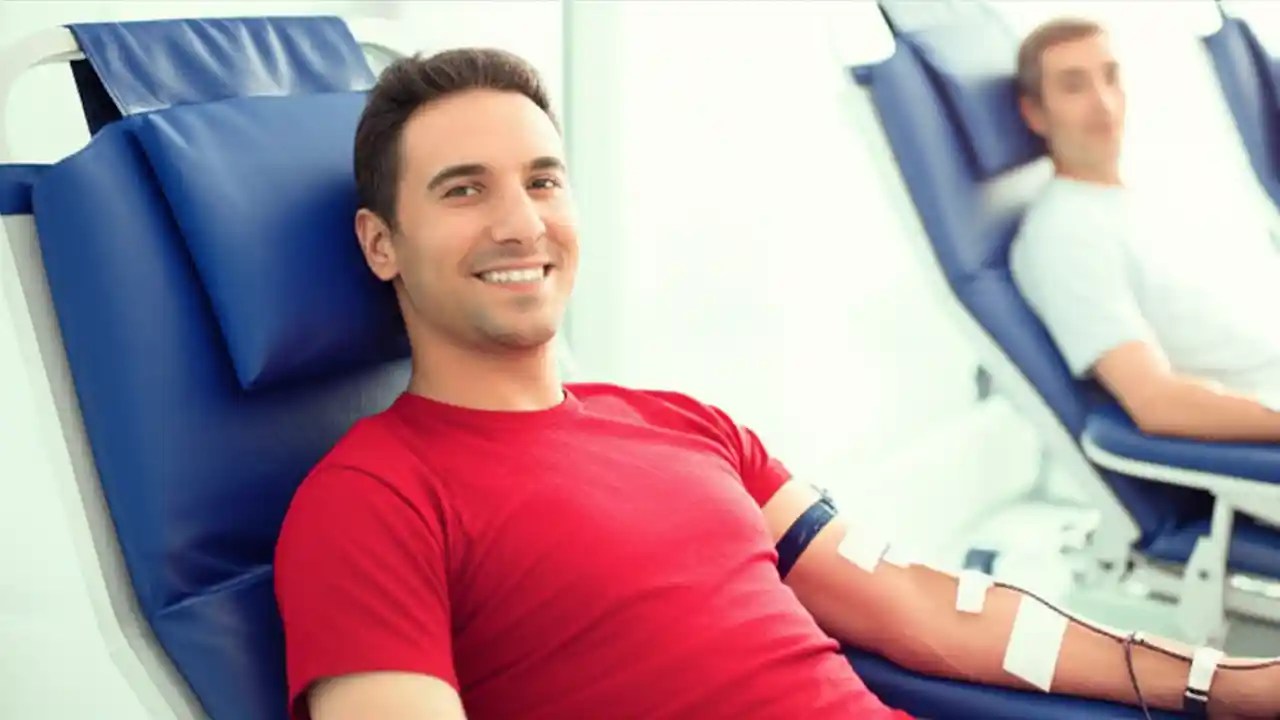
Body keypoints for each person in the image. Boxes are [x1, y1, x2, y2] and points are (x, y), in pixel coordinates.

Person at [272, 47, 1280, 720]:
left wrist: (1223, 683)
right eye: (463, 190)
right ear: (380, 243)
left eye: (542, 180)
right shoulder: (370, 503)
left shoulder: (684, 425)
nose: (520, 223)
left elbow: (917, 608)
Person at [1011, 17, 1280, 442]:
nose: (1103, 102)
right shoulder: (1064, 235)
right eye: (1074, 86)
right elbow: (1156, 403)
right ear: (1035, 113)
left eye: (1111, 77)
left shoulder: (1148, 197)